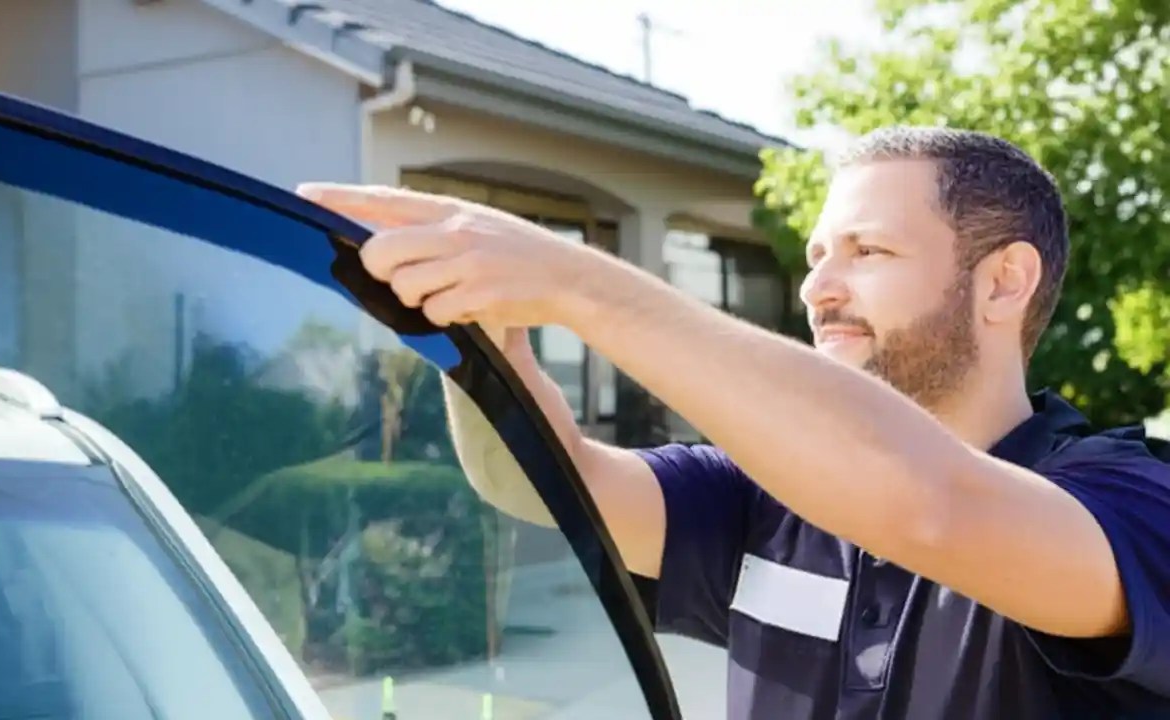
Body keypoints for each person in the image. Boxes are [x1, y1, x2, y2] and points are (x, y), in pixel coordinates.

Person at [298, 126, 1170, 719]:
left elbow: (932, 506)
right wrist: (481, 350)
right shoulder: (763, 493)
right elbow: (540, 483)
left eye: (868, 252)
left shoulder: (1129, 502)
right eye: (820, 254)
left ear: (1004, 282)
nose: (817, 287)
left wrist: (577, 283)